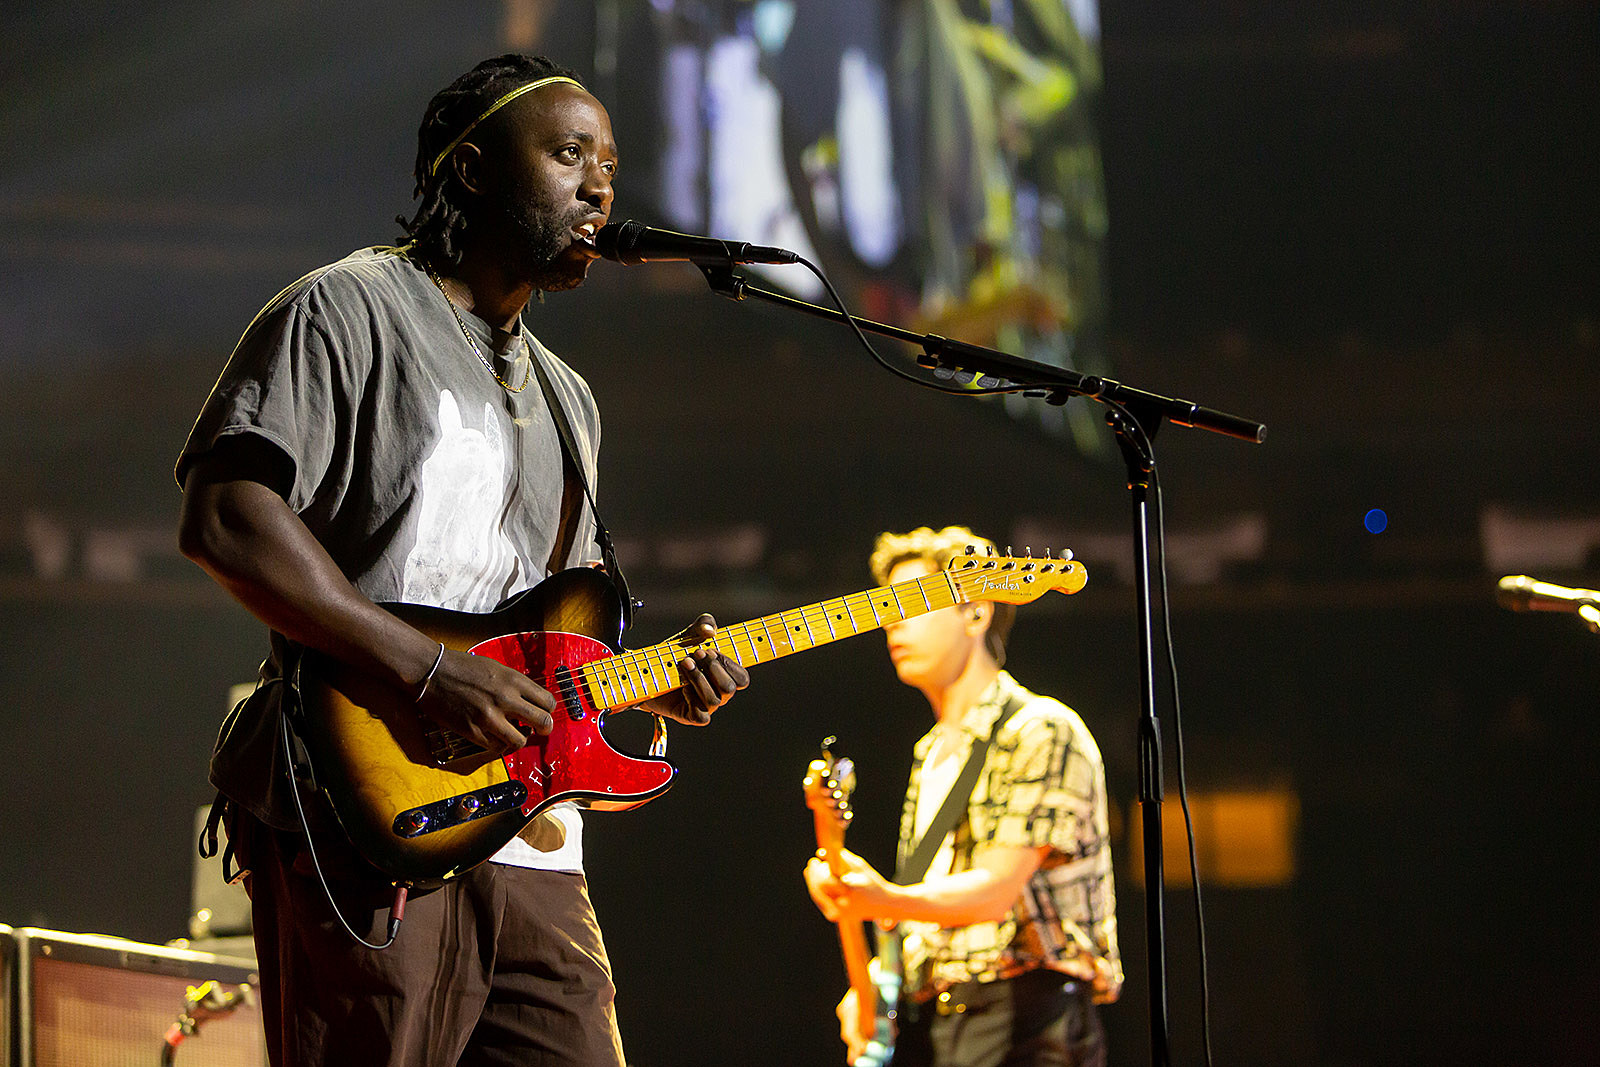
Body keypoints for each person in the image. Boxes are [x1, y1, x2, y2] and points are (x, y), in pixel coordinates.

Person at [176, 54, 749, 1067]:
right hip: (370, 811)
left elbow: (542, 638)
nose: (600, 187)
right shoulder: (346, 309)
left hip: (533, 844)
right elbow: (227, 518)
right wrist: (430, 668)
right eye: (570, 154)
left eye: (609, 165)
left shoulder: (573, 400)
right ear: (474, 169)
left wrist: (654, 688)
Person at [805, 525, 1120, 1067]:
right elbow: (928, 908)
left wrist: (881, 898)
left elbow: (996, 891)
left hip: (1029, 1020)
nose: (892, 621)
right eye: (886, 607)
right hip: (946, 1022)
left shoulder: (1040, 728)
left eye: (911, 603)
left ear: (975, 613)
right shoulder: (930, 753)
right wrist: (872, 971)